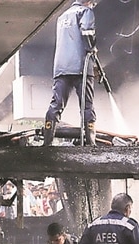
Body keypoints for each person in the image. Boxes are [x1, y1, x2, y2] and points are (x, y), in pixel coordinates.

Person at [42, 0, 98, 146]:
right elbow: (87, 32)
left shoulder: (62, 17)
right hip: (81, 67)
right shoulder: (85, 12)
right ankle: (91, 144)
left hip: (61, 67)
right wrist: (92, 49)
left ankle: (47, 143)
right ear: (88, 2)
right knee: (87, 106)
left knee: (56, 104)